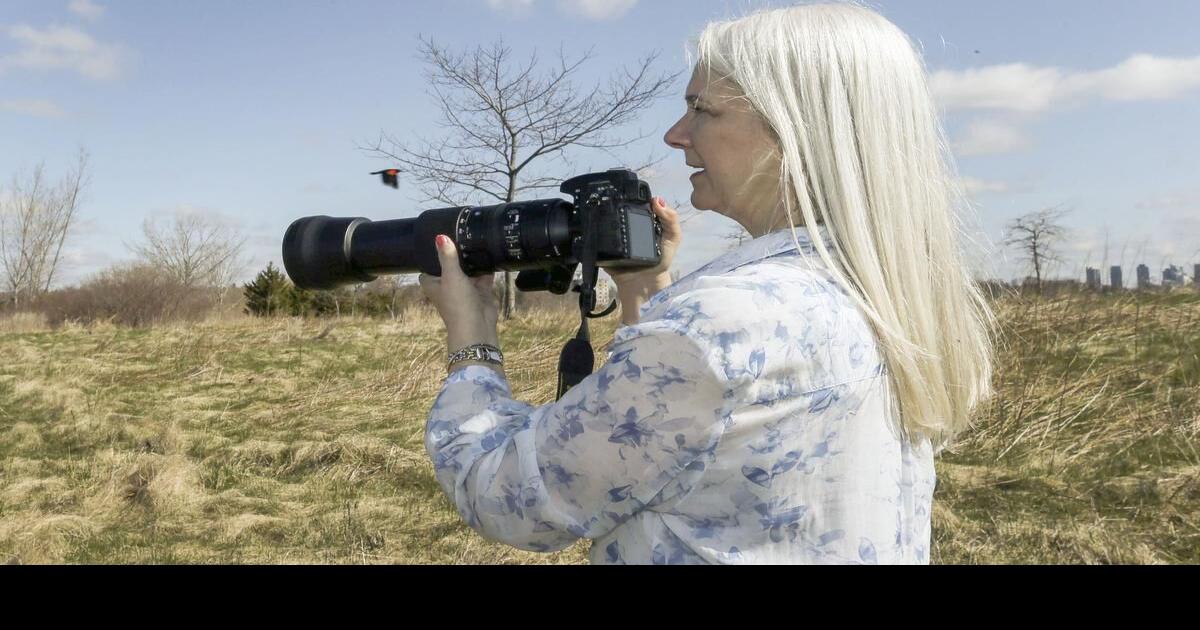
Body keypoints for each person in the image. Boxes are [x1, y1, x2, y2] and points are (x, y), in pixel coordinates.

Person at [418, 2, 997, 564]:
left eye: (703, 109)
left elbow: (508, 496)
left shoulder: (719, 324)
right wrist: (647, 287)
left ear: (794, 129)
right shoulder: (884, 292)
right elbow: (704, 445)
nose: (676, 134)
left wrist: (472, 338)